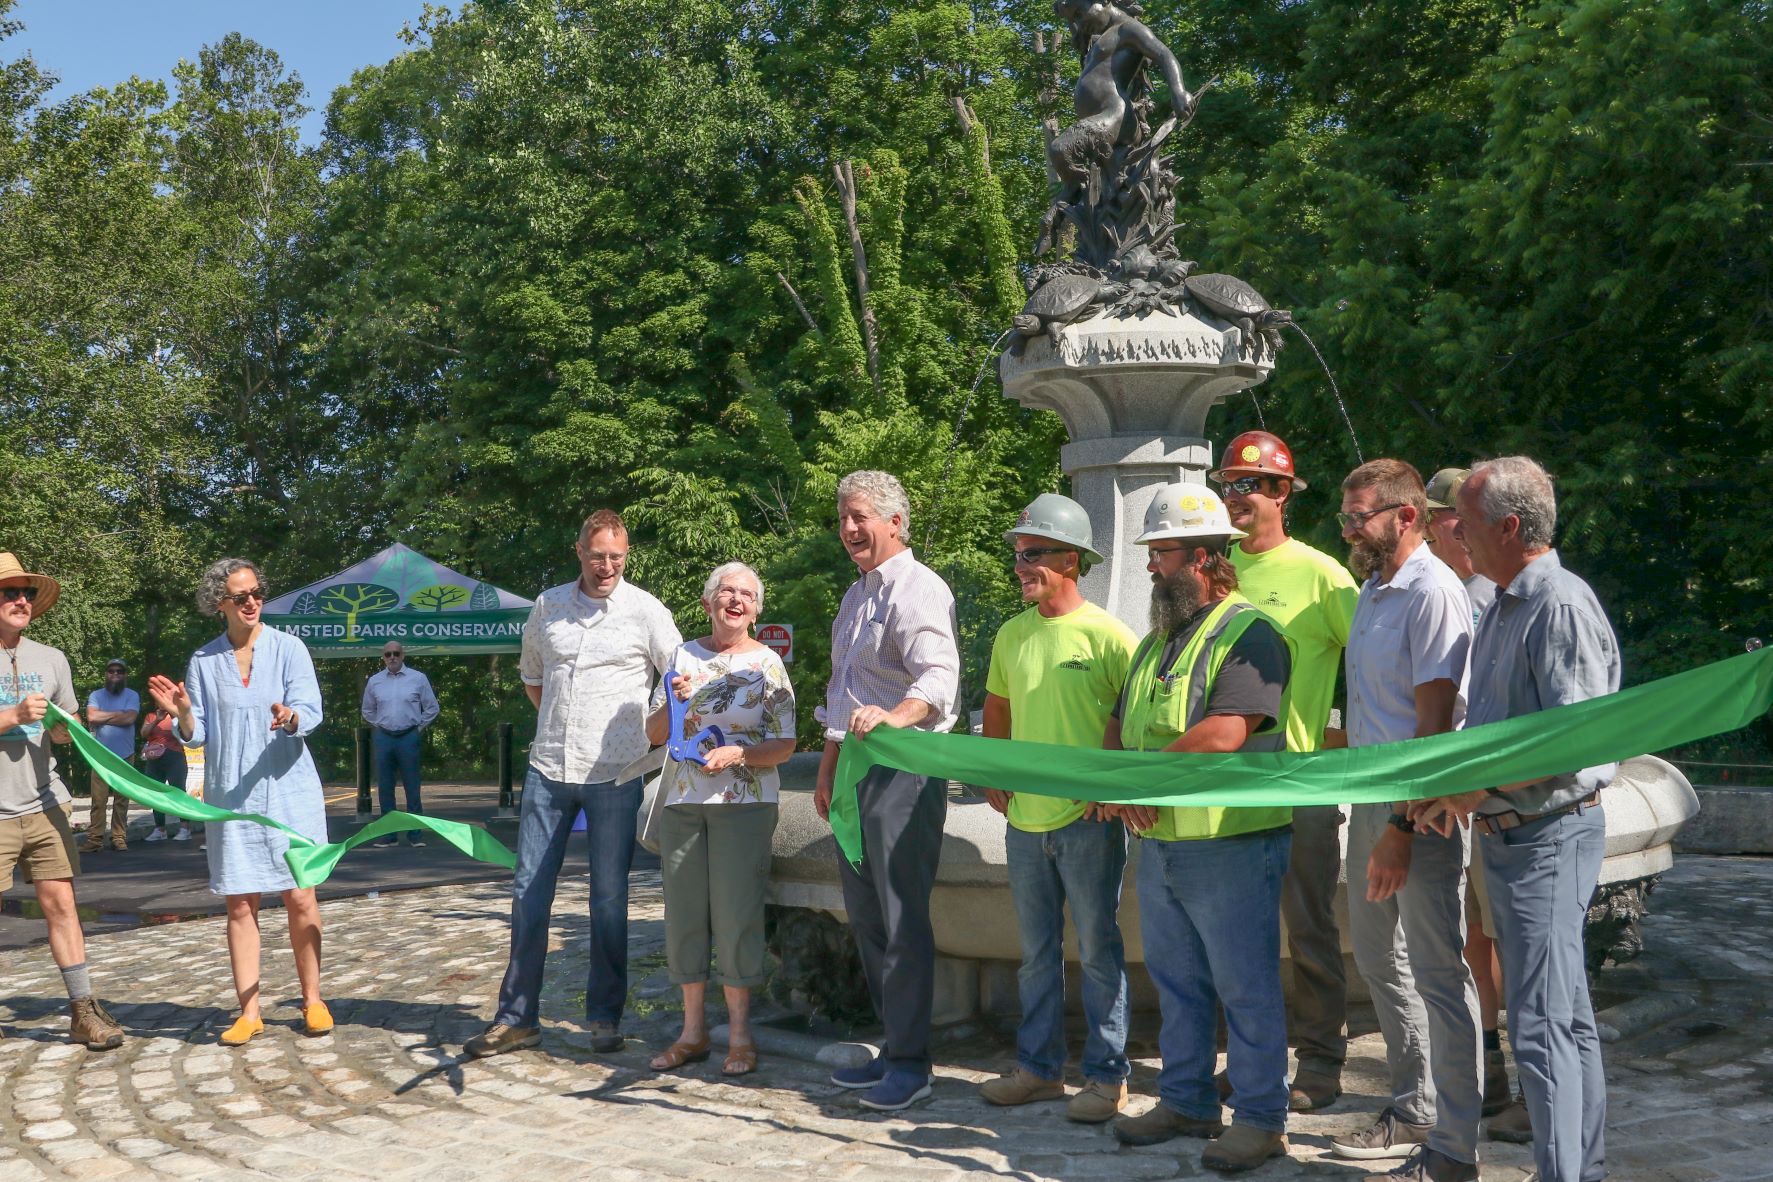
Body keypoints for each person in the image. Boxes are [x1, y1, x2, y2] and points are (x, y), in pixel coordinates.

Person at [1410, 457, 1619, 1182]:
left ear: (1507, 526)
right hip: (1515, 837)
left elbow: (1574, 741)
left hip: (1547, 836)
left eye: (1465, 525)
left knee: (1542, 1027)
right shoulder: (1500, 601)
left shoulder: (1555, 604)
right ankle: (1576, 1170)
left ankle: (1563, 1174)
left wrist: (1472, 791)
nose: (1456, 537)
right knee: (1561, 1019)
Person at [1105, 482, 1295, 1174]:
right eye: (1152, 554)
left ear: (1205, 558)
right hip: (1162, 841)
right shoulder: (1157, 642)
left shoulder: (1251, 635)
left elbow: (1223, 732)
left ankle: (1260, 1119)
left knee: (1244, 986)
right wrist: (1122, 785)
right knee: (1178, 982)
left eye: (1162, 554)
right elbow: (1123, 729)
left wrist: (1137, 781)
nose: (1152, 568)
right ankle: (1185, 1099)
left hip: (1231, 843)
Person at [465, 509, 681, 1059]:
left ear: (625, 556)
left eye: (617, 556)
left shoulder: (646, 610)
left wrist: (651, 731)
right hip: (549, 770)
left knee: (608, 901)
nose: (606, 565)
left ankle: (604, 1017)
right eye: (597, 554)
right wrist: (565, 724)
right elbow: (534, 679)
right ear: (579, 551)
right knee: (527, 895)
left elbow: (680, 678)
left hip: (617, 774)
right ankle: (517, 1018)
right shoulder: (547, 605)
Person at [1330, 461, 1482, 1182]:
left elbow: (1431, 728)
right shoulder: (1372, 589)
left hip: (1417, 811)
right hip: (1372, 801)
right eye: (1345, 516)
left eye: (1360, 515)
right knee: (1376, 956)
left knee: (1435, 970)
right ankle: (1415, 1101)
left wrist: (1396, 825)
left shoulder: (1431, 592)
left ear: (1407, 515)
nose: (1349, 528)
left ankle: (1452, 1139)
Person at [975, 494, 1137, 1123]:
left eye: (1034, 554)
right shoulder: (1011, 634)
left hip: (1088, 821)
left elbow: (1132, 720)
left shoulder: (1108, 635)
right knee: (1037, 954)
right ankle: (1040, 1071)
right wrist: (996, 769)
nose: (1021, 565)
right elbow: (997, 707)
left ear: (1071, 560)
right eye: (1018, 555)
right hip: (1025, 821)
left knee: (1098, 949)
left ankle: (1107, 1076)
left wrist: (1109, 786)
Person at [1211, 429, 1359, 1111]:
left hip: (1298, 781)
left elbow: (1377, 663)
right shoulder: (1217, 571)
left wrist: (1352, 739)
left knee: (1307, 928)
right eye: (1226, 484)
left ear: (1280, 493)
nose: (1232, 495)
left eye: (1245, 484)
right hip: (1228, 783)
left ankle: (1322, 1063)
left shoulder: (1321, 574)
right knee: (1239, 934)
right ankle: (1250, 1062)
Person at [812, 471, 960, 1112]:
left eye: (861, 517)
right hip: (853, 771)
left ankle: (912, 1065)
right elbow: (843, 693)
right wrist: (826, 765)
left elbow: (939, 678)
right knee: (869, 918)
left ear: (896, 522)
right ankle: (895, 1050)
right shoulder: (855, 596)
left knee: (901, 919)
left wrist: (896, 719)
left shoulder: (920, 589)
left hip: (905, 769)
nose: (849, 529)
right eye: (843, 518)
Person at [146, 558, 331, 1046]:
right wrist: (184, 714)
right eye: (240, 596)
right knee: (240, 903)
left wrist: (291, 717)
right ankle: (249, 1012)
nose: (251, 602)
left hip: (290, 789)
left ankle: (313, 1000)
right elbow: (197, 733)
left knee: (301, 895)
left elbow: (311, 711)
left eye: (257, 593)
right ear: (219, 604)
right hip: (232, 794)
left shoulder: (290, 648)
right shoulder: (204, 661)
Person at [644, 562, 795, 1078]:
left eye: (746, 595)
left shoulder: (769, 664)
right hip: (684, 803)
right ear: (709, 601)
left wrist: (740, 756)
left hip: (745, 805)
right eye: (726, 591)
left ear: (756, 609)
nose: (735, 600)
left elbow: (787, 743)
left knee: (736, 916)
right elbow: (656, 733)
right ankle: (691, 1033)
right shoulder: (682, 655)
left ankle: (740, 1035)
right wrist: (674, 700)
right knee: (684, 915)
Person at [0, 552, 126, 1050]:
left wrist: (62, 726)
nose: (20, 600)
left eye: (26, 593)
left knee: (62, 905)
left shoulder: (51, 658)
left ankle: (82, 1011)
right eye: (9, 592)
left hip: (45, 803)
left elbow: (65, 734)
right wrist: (10, 716)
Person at [1424, 465, 1516, 1127]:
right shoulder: (1453, 588)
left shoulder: (1492, 594)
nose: (1436, 526)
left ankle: (1519, 1086)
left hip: (1499, 797)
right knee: (1475, 937)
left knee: (1504, 939)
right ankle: (1493, 1077)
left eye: (1442, 515)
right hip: (1467, 795)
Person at [360, 642, 440, 848]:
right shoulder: (375, 681)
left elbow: (432, 708)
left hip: (408, 736)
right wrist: (379, 724)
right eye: (388, 654)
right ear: (383, 657)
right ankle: (389, 835)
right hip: (384, 737)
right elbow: (367, 710)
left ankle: (415, 835)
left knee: (412, 786)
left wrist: (417, 728)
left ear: (403, 655)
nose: (392, 657)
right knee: (385, 787)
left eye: (396, 653)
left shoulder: (418, 678)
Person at [80, 658, 140, 853]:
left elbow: (130, 718)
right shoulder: (96, 695)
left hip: (125, 754)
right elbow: (91, 717)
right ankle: (95, 839)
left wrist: (103, 716)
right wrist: (118, 715)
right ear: (106, 674)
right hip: (100, 755)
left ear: (125, 675)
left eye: (119, 671)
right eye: (111, 671)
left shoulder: (132, 695)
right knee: (98, 800)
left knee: (122, 800)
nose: (115, 674)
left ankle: (119, 838)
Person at [140, 700, 193, 843]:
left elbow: (187, 735)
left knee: (178, 792)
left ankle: (185, 828)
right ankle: (160, 829)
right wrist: (157, 720)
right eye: (158, 701)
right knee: (155, 793)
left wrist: (175, 717)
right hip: (154, 758)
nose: (161, 704)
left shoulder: (177, 717)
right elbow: (144, 733)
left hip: (174, 756)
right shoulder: (151, 716)